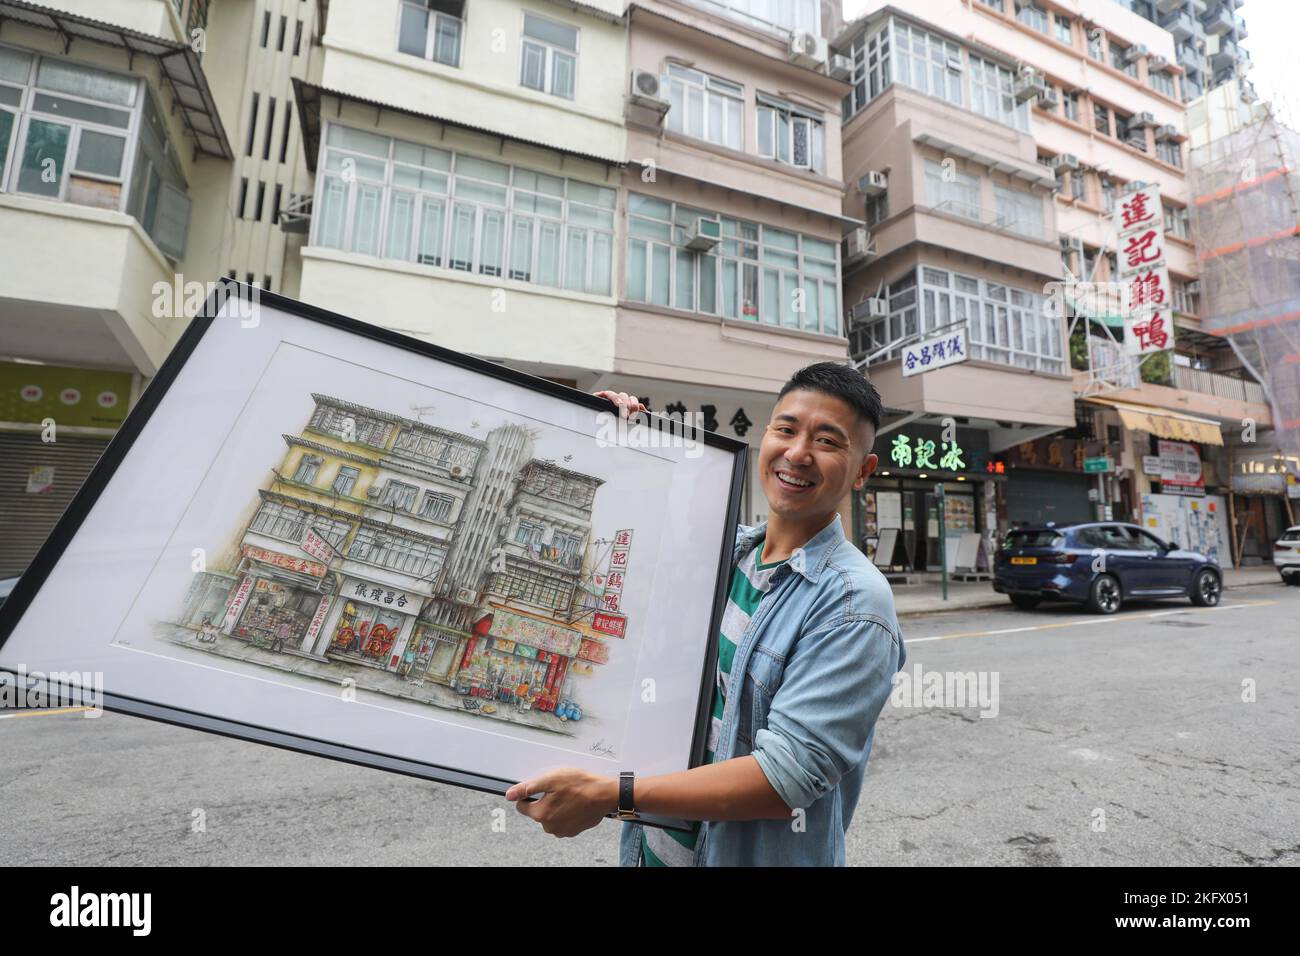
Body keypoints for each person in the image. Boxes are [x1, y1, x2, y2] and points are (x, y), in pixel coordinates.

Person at [504, 362, 906, 866]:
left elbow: (786, 777)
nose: (798, 453)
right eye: (786, 429)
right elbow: (621, 553)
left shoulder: (854, 603)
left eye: (828, 441)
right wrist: (611, 439)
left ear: (864, 471)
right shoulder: (723, 552)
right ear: (768, 435)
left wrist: (615, 793)